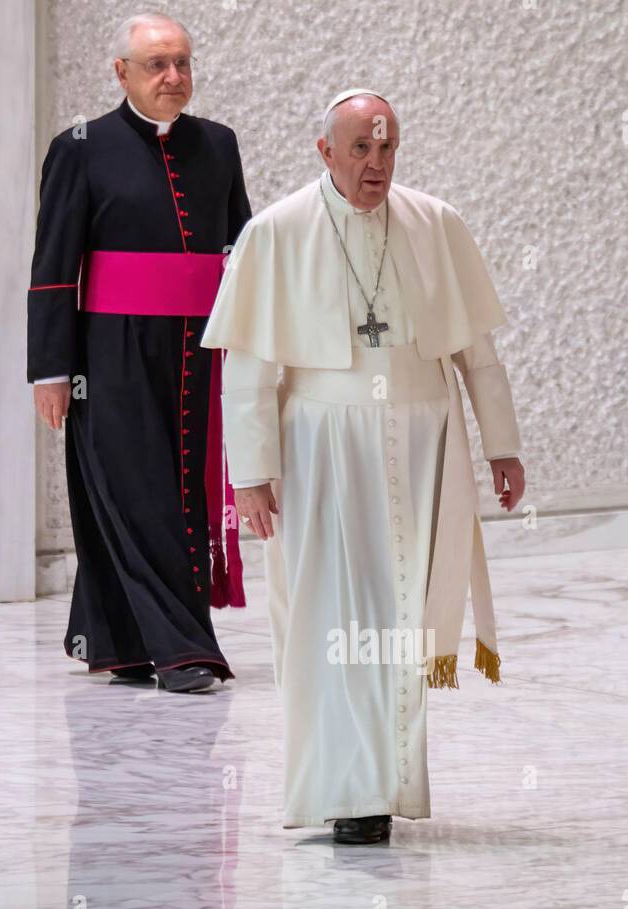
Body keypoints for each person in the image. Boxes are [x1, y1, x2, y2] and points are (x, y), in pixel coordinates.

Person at [202, 89, 523, 836]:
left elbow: (478, 353)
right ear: (325, 151)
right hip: (321, 446)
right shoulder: (275, 232)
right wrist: (249, 473)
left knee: (405, 613)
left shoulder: (435, 223)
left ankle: (388, 786)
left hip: (424, 442)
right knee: (327, 613)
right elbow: (247, 367)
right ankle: (344, 789)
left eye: (387, 148)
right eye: (360, 149)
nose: (377, 164)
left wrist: (502, 445)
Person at [28, 12, 251, 693]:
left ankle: (122, 639)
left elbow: (242, 247)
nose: (173, 77)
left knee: (181, 492)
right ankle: (185, 649)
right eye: (156, 64)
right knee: (137, 493)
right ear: (120, 71)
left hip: (198, 350)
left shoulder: (218, 144)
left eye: (182, 62)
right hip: (109, 352)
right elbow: (54, 266)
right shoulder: (80, 147)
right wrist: (50, 369)